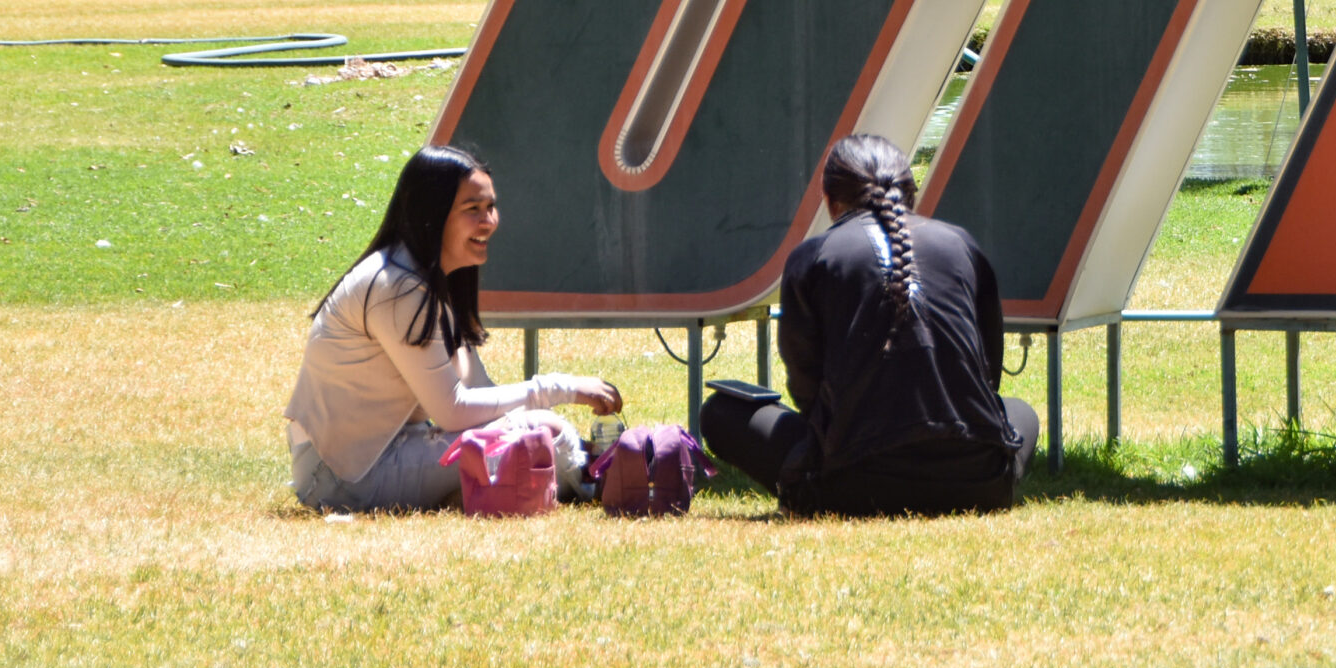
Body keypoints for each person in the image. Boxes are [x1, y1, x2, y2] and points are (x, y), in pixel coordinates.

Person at [700, 134, 1038, 517]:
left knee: (721, 413)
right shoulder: (959, 243)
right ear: (910, 193)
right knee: (1020, 410)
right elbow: (988, 373)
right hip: (980, 481)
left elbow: (806, 388)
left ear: (829, 200)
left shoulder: (813, 257)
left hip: (852, 486)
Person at [286, 145, 622, 512]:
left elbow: (478, 392)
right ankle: (596, 481)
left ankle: (584, 472)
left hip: (376, 457)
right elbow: (452, 411)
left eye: (491, 207)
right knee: (541, 432)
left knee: (537, 428)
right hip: (340, 478)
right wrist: (560, 389)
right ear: (433, 214)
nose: (489, 221)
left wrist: (538, 413)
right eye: (472, 209)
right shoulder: (396, 286)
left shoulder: (425, 278)